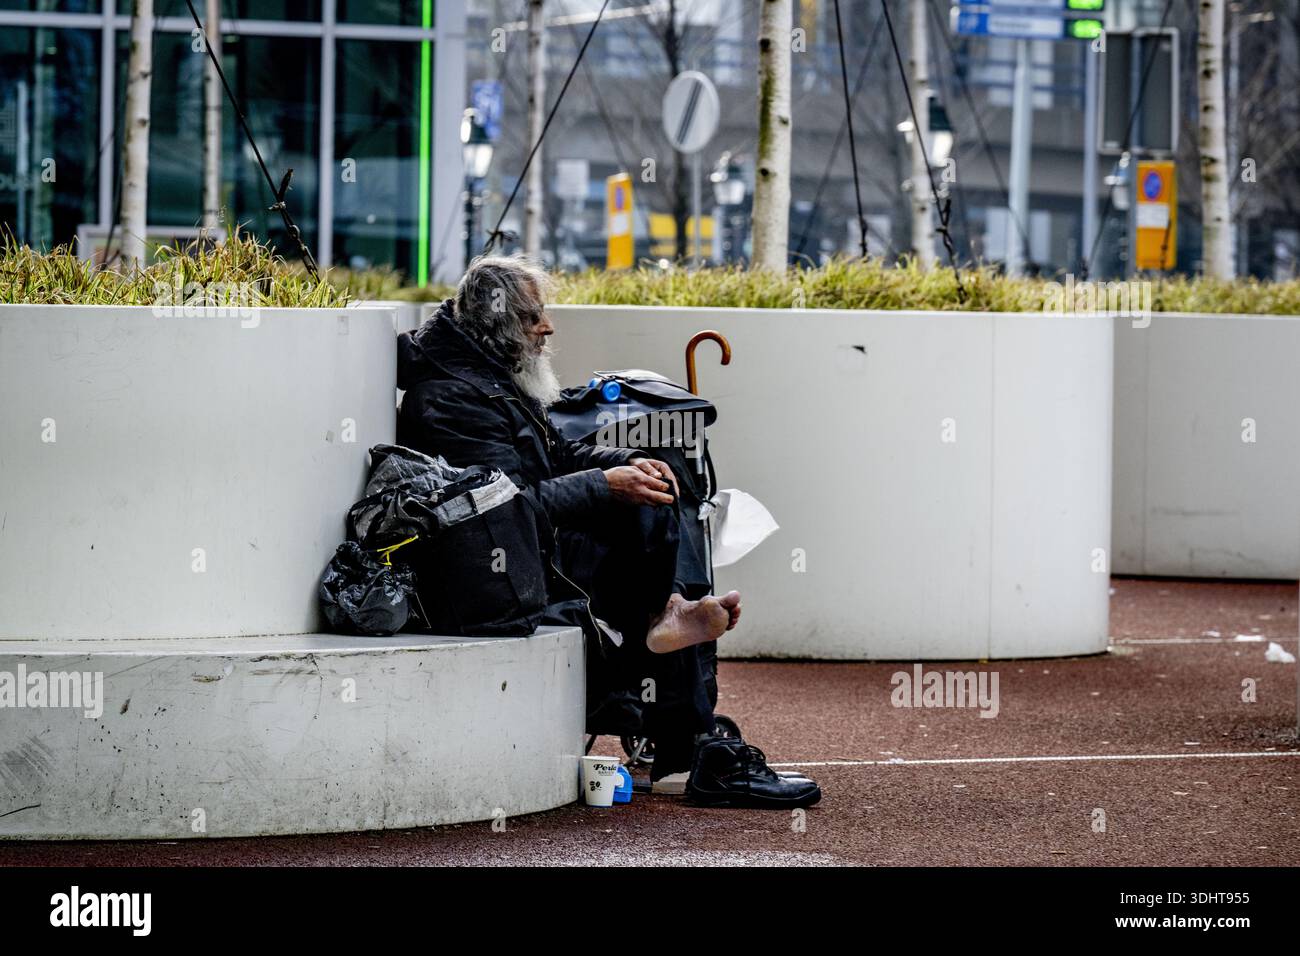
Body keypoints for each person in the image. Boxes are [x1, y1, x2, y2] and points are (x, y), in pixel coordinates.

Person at [396, 254, 820, 810]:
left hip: (528, 547)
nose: (547, 327)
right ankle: (685, 740)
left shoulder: (487, 374)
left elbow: (556, 454)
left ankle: (674, 669)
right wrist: (604, 484)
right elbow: (502, 510)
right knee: (647, 514)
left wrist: (628, 460)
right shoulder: (452, 398)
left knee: (659, 486)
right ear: (493, 321)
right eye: (532, 318)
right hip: (497, 572)